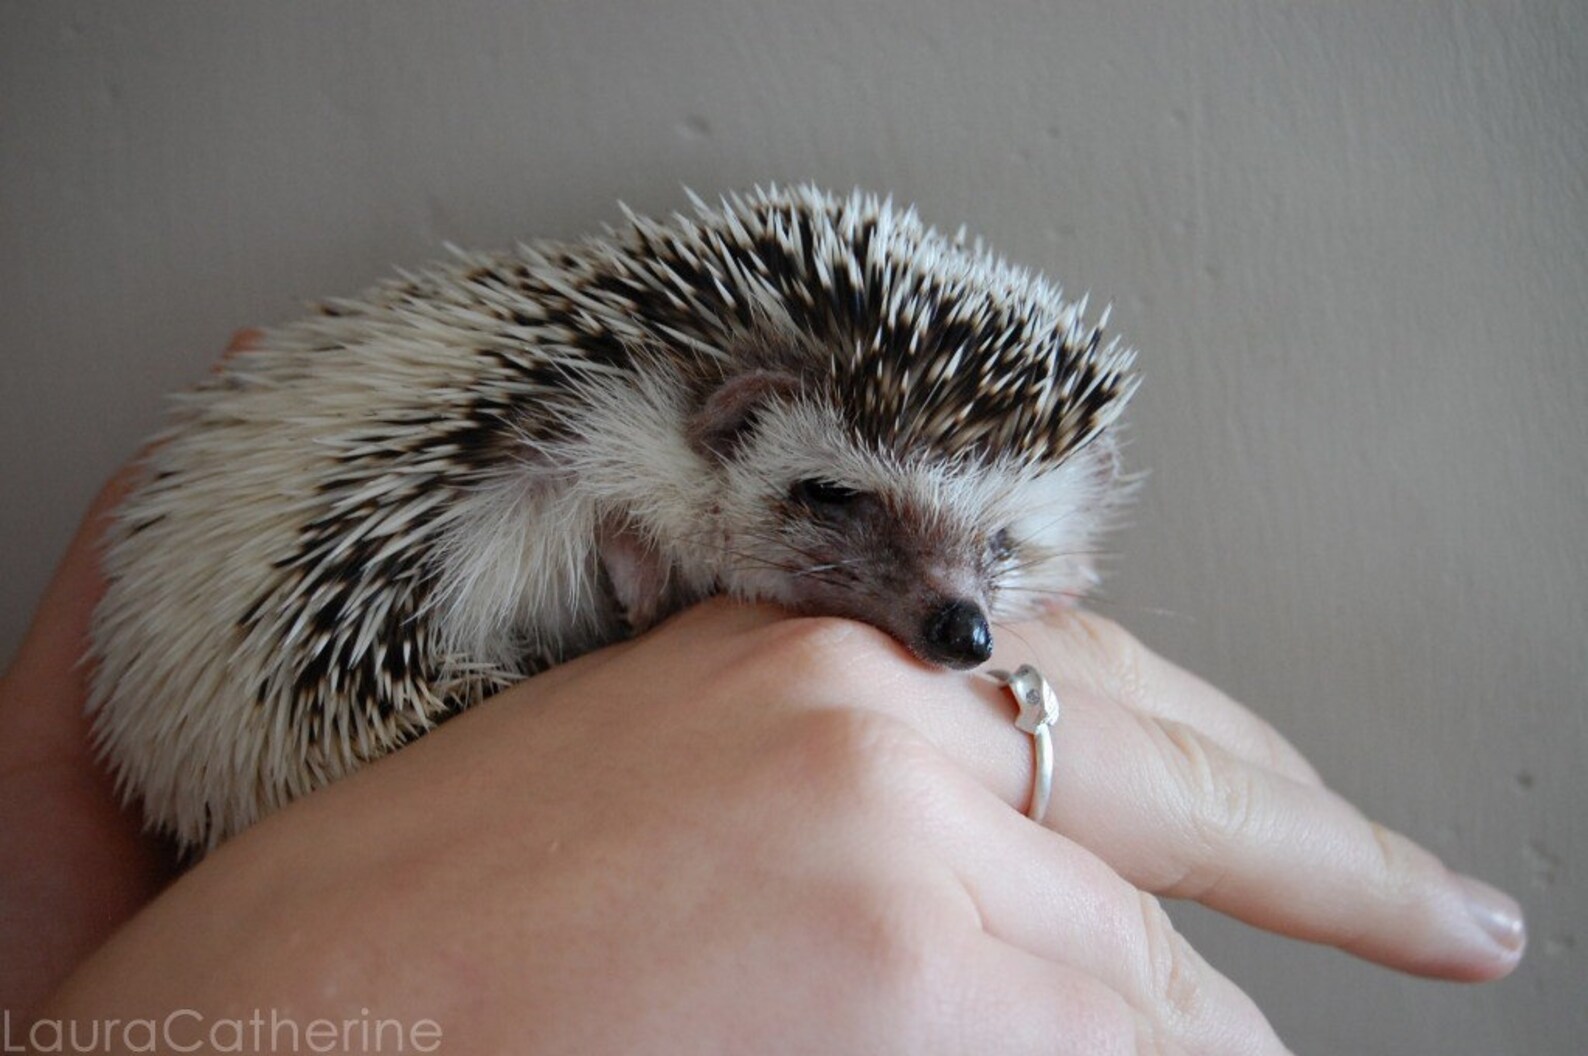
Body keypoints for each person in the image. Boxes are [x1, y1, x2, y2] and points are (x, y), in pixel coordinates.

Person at [0, 339, 1524, 1055]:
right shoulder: (596, 461)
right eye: (844, 510)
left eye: (999, 550)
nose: (950, 604)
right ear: (729, 427)